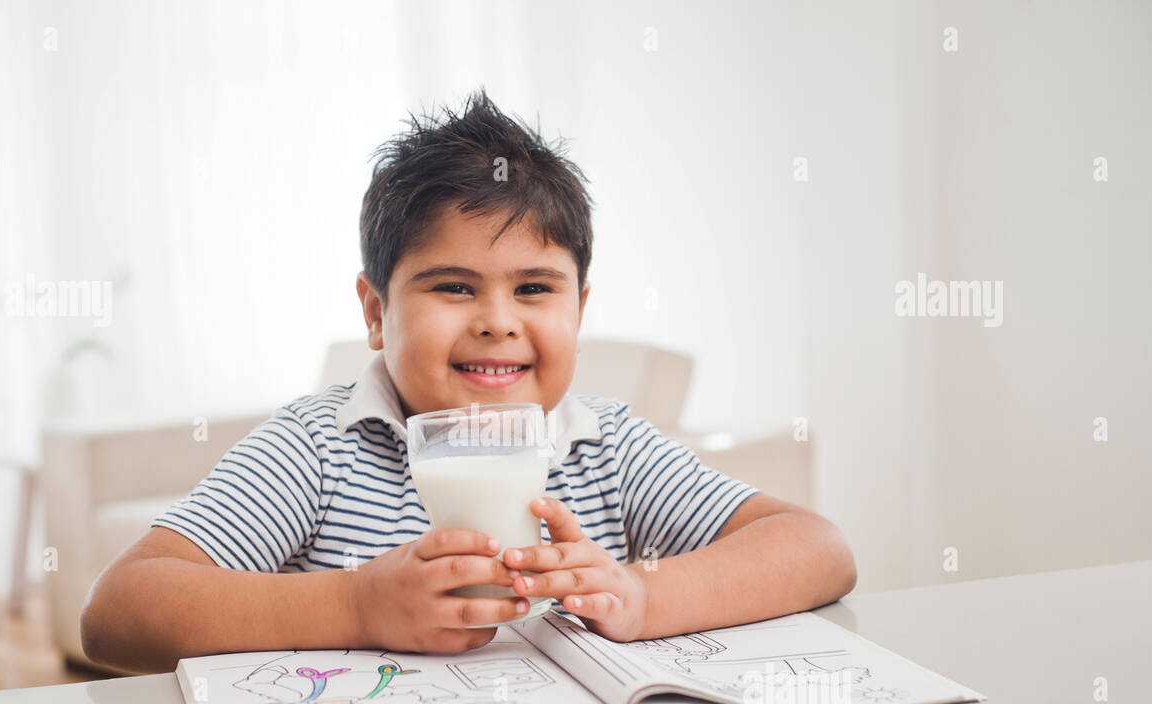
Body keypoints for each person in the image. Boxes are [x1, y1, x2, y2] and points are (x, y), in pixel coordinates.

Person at [81, 88, 856, 673]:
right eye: (454, 287)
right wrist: (354, 605)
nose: (496, 320)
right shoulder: (321, 448)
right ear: (377, 313)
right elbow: (118, 610)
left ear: (579, 310)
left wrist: (645, 593)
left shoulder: (606, 447)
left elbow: (816, 548)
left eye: (533, 288)